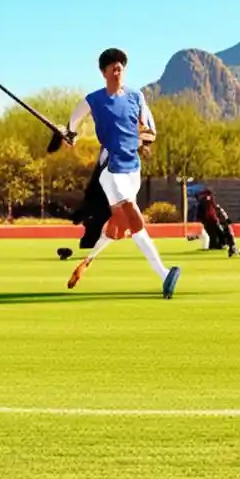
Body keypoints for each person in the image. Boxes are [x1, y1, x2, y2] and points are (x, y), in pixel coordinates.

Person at [63, 48, 180, 298]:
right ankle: (164, 273)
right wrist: (70, 134)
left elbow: (150, 129)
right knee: (130, 212)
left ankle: (89, 259)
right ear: (104, 72)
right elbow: (74, 120)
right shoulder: (93, 99)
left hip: (132, 168)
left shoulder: (136, 97)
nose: (117, 70)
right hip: (110, 168)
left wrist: (144, 138)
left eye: (120, 66)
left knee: (118, 226)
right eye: (113, 67)